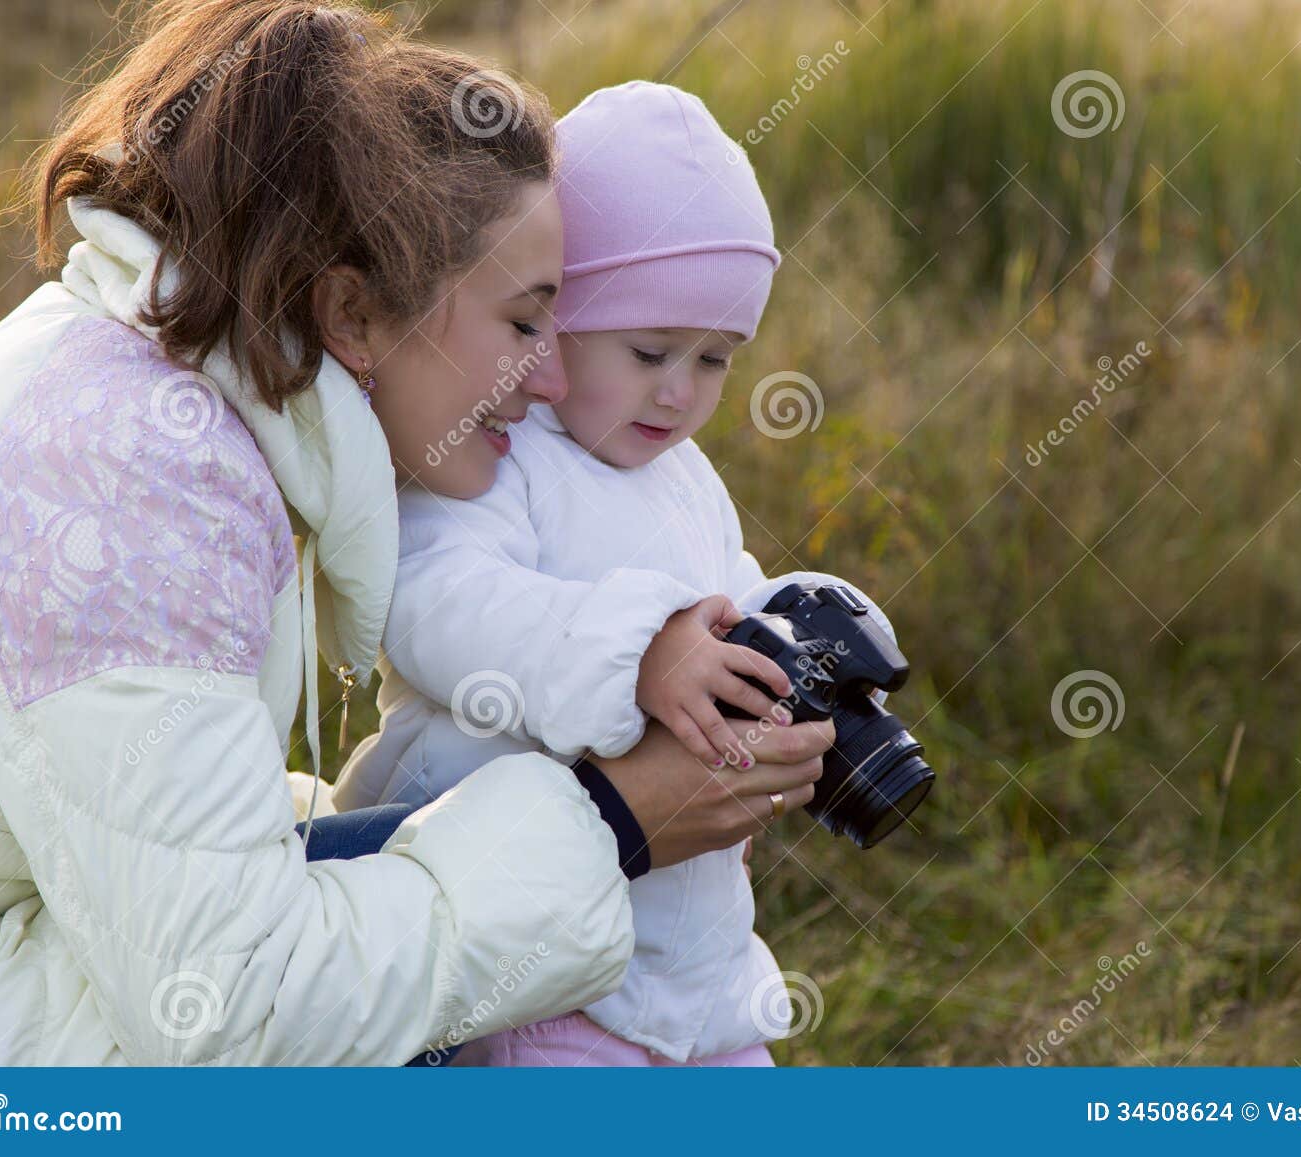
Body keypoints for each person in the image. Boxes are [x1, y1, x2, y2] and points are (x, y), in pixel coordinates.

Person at [0, 1, 830, 1067]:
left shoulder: (165, 398)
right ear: (352, 312)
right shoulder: (121, 477)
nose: (549, 377)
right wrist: (612, 821)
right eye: (522, 320)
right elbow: (223, 1008)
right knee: (398, 967)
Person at [331, 82, 896, 1067]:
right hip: (541, 977)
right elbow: (436, 604)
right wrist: (643, 651)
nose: (678, 393)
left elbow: (721, 602)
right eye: (647, 351)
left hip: (700, 966)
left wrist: (789, 643)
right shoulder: (489, 449)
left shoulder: (685, 478)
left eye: (716, 360)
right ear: (554, 315)